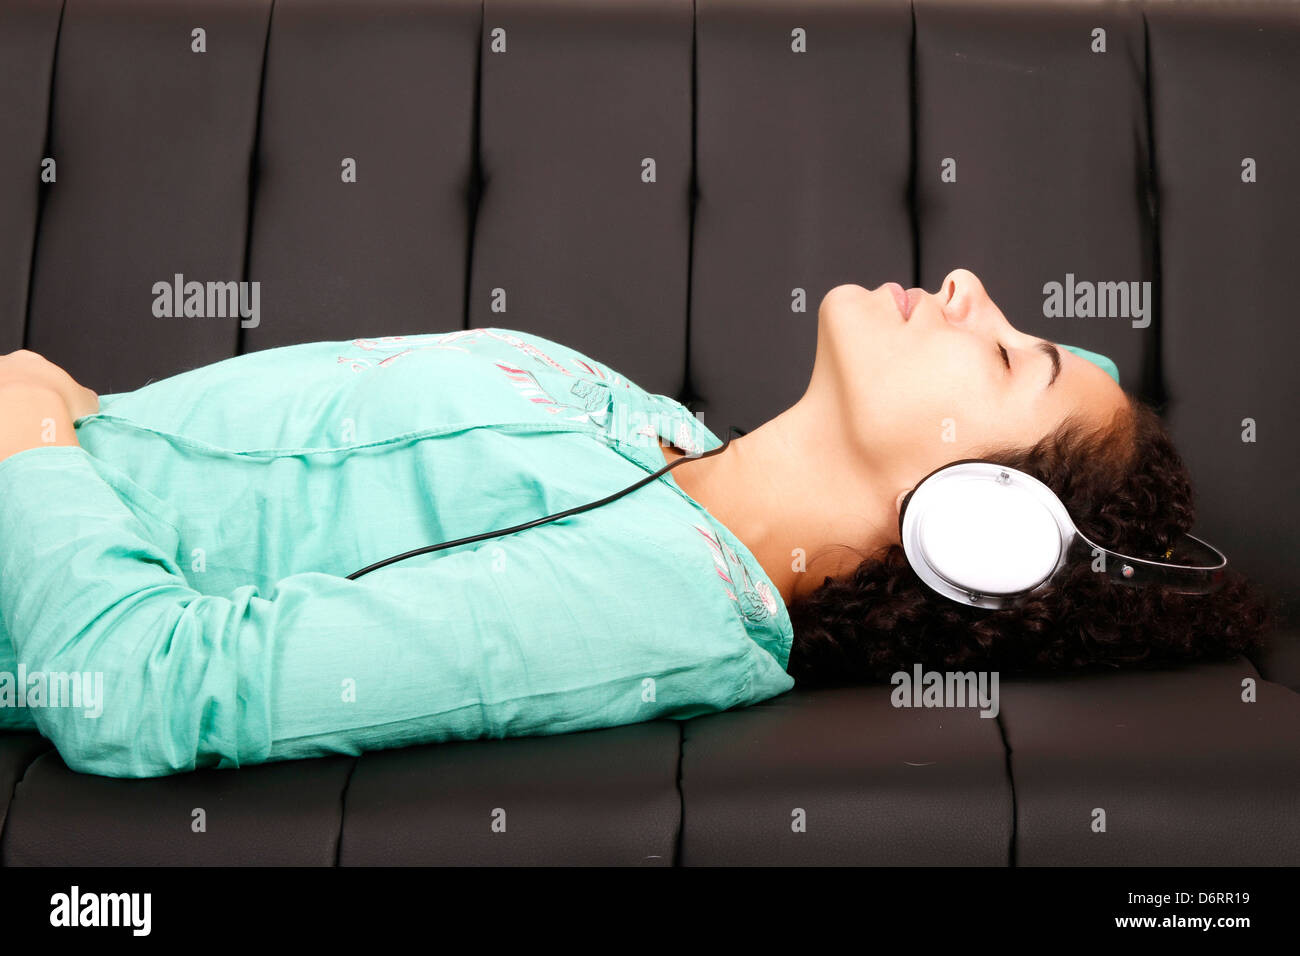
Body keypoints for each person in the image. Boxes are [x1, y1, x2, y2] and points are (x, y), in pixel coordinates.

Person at [0, 269, 1271, 777]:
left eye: (1003, 358)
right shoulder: (638, 423)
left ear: (973, 528)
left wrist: (27, 436)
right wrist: (62, 403)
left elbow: (138, 686)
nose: (967, 288)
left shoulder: (641, 611)